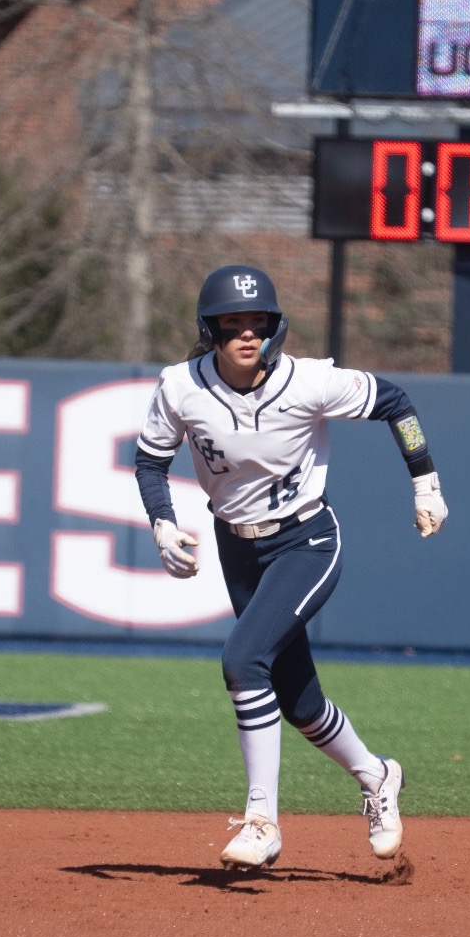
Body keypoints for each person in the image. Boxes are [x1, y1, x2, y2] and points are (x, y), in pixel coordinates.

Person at [133, 264, 448, 870]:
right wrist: (162, 523)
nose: (246, 335)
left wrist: (425, 483)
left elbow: (397, 404)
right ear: (210, 330)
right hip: (237, 547)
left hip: (306, 540)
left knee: (242, 659)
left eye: (258, 323)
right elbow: (149, 462)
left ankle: (262, 821)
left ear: (275, 328)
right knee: (299, 701)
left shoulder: (310, 383)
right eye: (232, 323)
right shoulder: (181, 387)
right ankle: (378, 776)